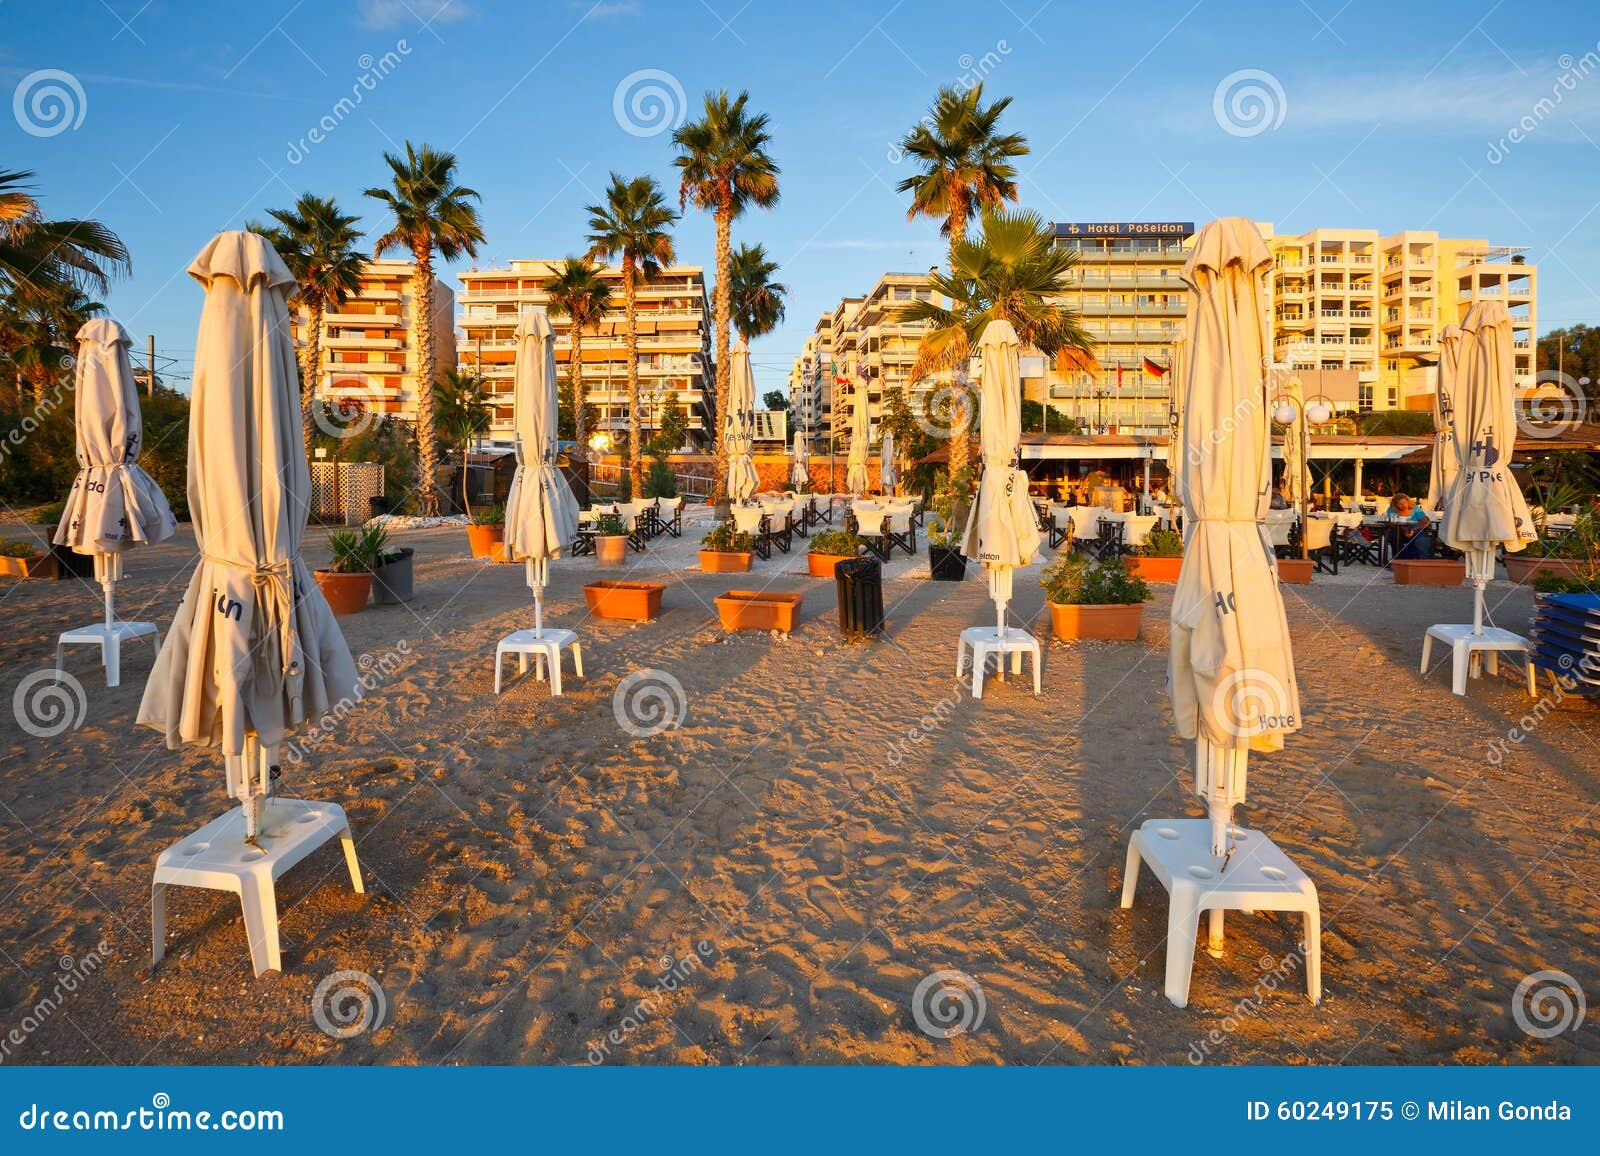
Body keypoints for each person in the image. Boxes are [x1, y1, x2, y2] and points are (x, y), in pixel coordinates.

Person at [1390, 493, 1432, 559]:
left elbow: (1425, 521)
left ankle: (1418, 559)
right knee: (1393, 536)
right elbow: (1391, 522)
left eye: (1404, 502)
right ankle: (1401, 559)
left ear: (1408, 502)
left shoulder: (1415, 508)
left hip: (1415, 528)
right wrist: (1403, 529)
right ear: (1395, 504)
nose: (1403, 505)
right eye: (1400, 503)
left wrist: (1414, 529)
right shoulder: (1392, 509)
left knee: (1421, 540)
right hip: (1398, 528)